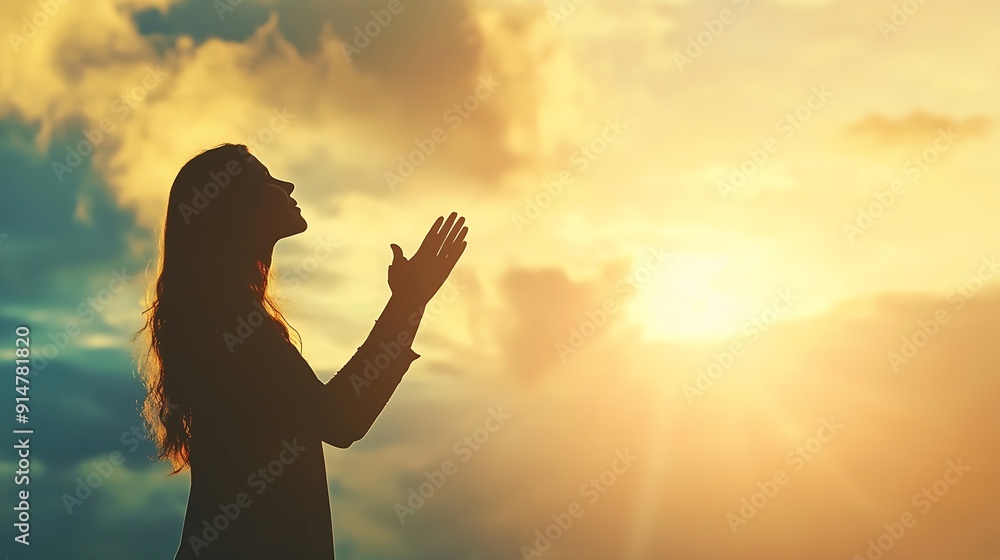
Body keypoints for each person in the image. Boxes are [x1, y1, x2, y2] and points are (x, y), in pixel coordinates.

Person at [133, 143, 468, 559]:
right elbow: (339, 418)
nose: (287, 185)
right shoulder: (232, 325)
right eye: (266, 180)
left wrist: (409, 302)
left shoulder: (223, 317)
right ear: (235, 208)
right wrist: (408, 303)